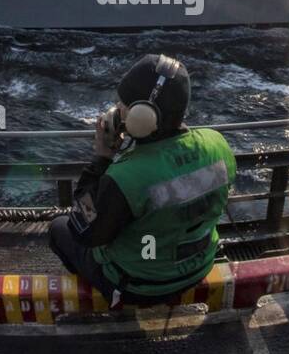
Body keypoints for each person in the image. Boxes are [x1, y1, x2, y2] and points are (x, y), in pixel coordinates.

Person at [48, 54, 236, 305]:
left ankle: (104, 296)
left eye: (124, 105)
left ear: (143, 116)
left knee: (59, 228)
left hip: (140, 287)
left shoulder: (127, 176)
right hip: (199, 267)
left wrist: (101, 159)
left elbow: (83, 229)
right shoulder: (218, 144)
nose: (118, 110)